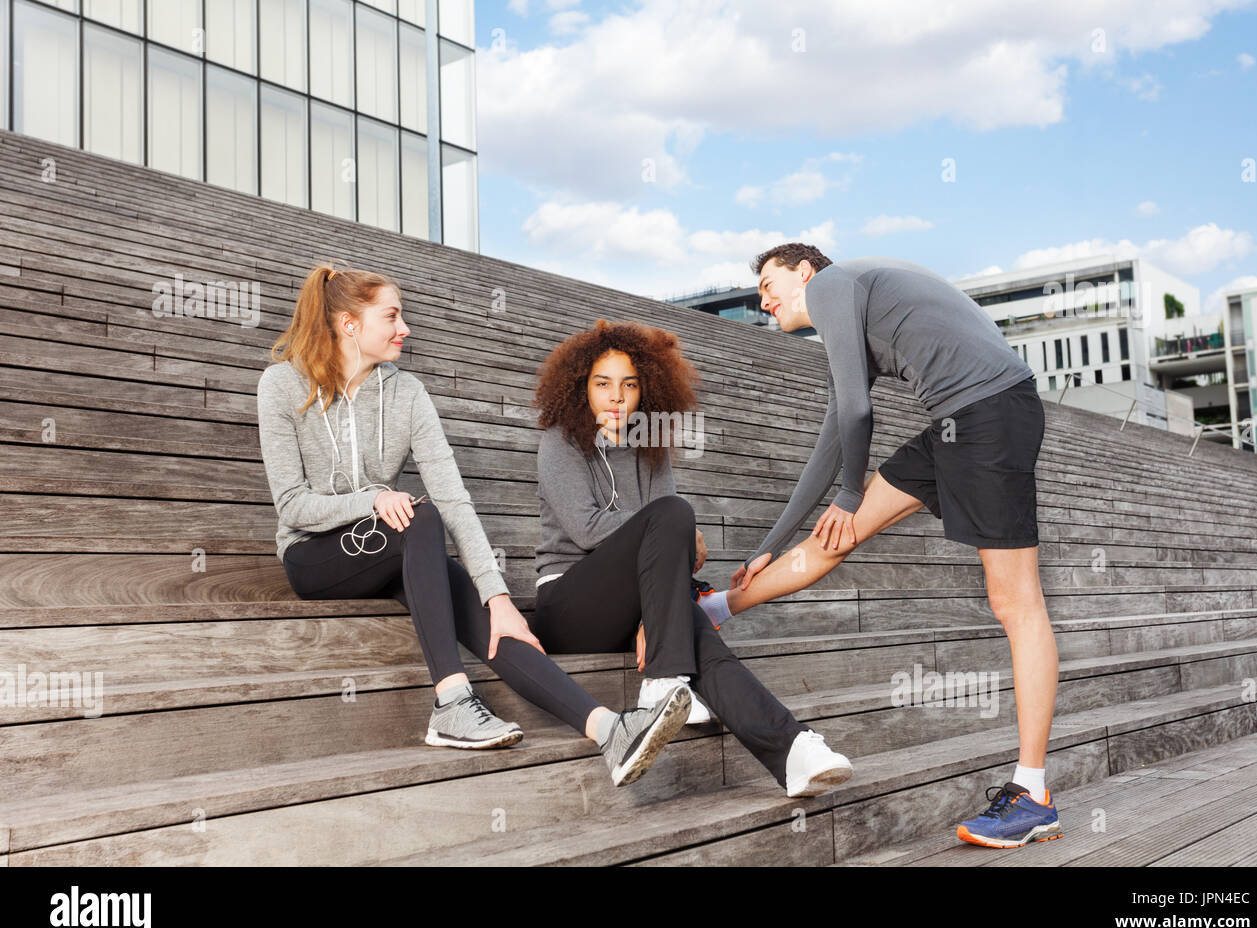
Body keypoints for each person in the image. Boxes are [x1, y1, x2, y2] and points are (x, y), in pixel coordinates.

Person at [255, 263, 691, 786]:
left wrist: (498, 597)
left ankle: (609, 731)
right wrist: (371, 498)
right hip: (316, 555)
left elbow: (455, 498)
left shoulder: (407, 393)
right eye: (392, 316)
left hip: (390, 545)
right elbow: (292, 506)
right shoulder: (281, 384)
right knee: (420, 518)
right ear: (349, 324)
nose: (404, 328)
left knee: (498, 626)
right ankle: (452, 703)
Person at [709, 244, 1062, 847]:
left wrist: (850, 491)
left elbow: (857, 410)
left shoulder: (832, 285)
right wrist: (771, 542)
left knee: (1016, 603)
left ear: (805, 271)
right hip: (956, 422)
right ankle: (709, 611)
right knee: (831, 541)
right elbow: (835, 432)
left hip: (989, 414)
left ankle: (1033, 794)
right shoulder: (850, 303)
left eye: (770, 283)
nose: (763, 300)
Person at [528, 318, 854, 798]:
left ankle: (792, 751)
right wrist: (673, 539)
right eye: (602, 384)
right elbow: (588, 529)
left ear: (646, 392)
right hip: (568, 604)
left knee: (691, 619)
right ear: (581, 387)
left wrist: (656, 615)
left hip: (636, 603)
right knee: (674, 515)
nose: (616, 397)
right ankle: (664, 677)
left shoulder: (651, 451)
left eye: (629, 385)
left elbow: (668, 552)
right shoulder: (560, 441)